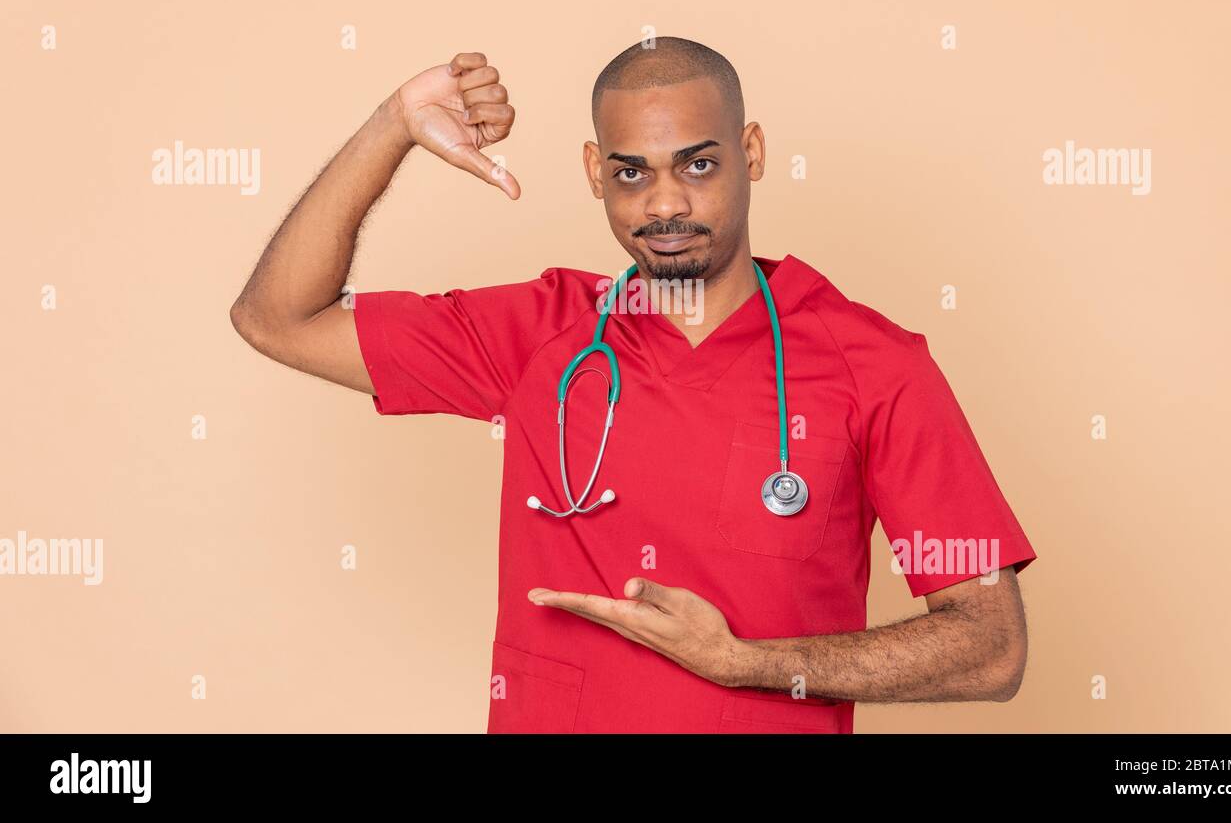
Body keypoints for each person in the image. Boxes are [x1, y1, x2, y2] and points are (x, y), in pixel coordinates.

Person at [230, 37, 1037, 733]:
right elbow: (278, 318)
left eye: (699, 164)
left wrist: (746, 663)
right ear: (593, 172)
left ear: (751, 153)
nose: (665, 202)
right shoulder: (543, 335)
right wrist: (394, 125)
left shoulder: (875, 367)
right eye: (630, 173)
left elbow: (990, 646)